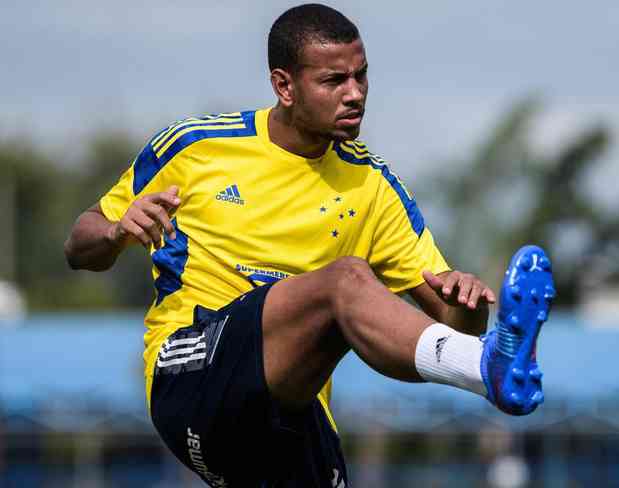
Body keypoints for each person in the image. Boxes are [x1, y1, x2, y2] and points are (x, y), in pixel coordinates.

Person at [64, 4, 554, 487]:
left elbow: (451, 328)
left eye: (362, 77)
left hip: (292, 418)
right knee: (345, 281)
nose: (355, 94)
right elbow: (78, 246)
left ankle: (488, 367)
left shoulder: (373, 187)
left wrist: (463, 302)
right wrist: (116, 231)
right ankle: (487, 369)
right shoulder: (195, 148)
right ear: (284, 86)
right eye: (334, 81)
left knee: (355, 297)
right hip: (192, 371)